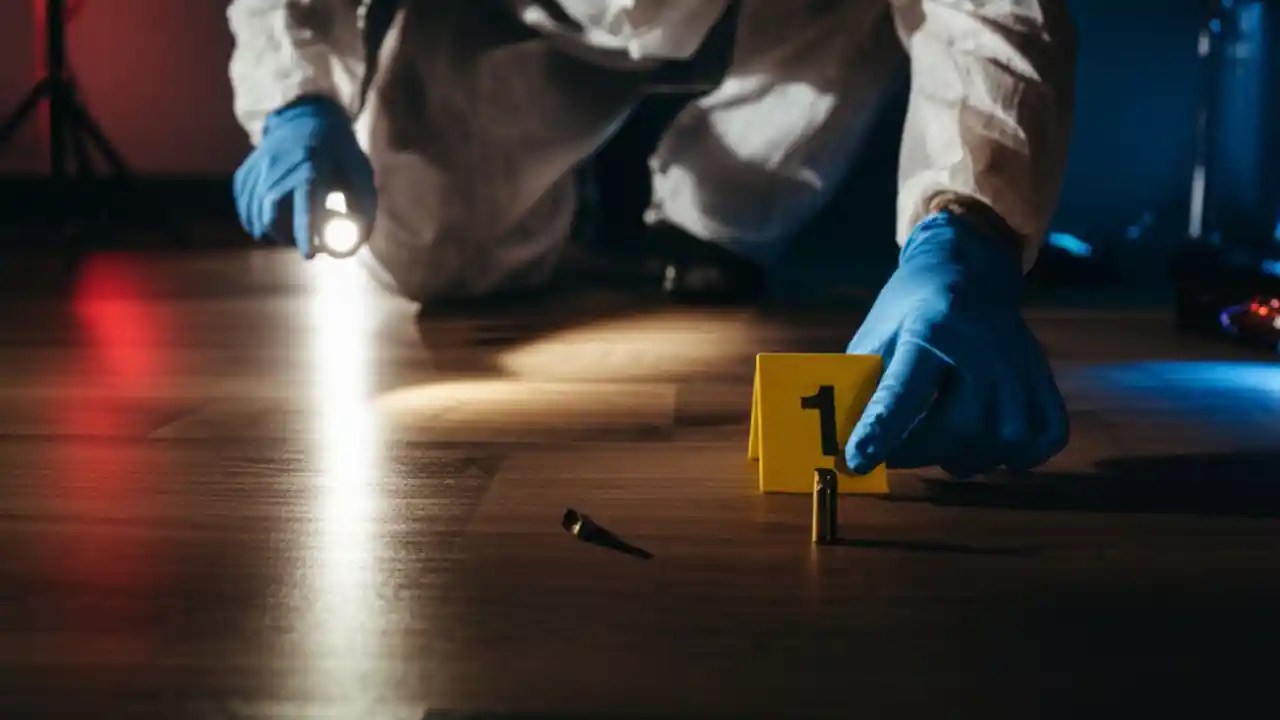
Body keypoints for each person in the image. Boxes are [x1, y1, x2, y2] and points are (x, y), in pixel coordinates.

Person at [229, 0, 1076, 477]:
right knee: (429, 250)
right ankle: (574, 199)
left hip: (787, 21)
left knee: (728, 224)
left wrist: (968, 222)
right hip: (518, 14)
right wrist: (298, 95)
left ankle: (711, 218)